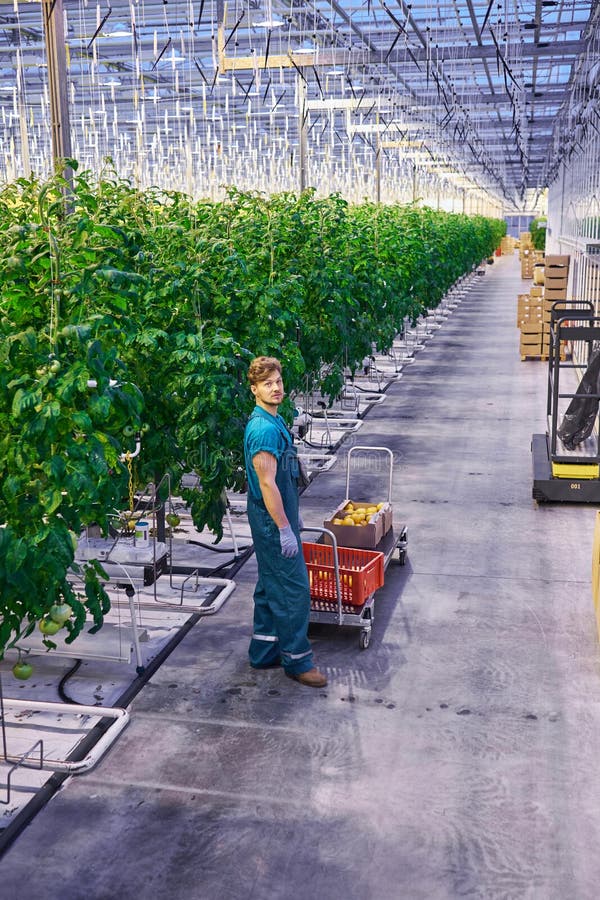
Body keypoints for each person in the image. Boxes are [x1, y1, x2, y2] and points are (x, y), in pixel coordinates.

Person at [243, 356, 327, 688]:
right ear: (254, 390)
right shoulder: (263, 429)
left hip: (278, 517)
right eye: (267, 384)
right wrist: (283, 528)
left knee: (269, 586)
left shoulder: (272, 419)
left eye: (278, 382)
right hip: (271, 522)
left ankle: (264, 652)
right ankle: (297, 660)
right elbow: (266, 484)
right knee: (293, 590)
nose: (276, 388)